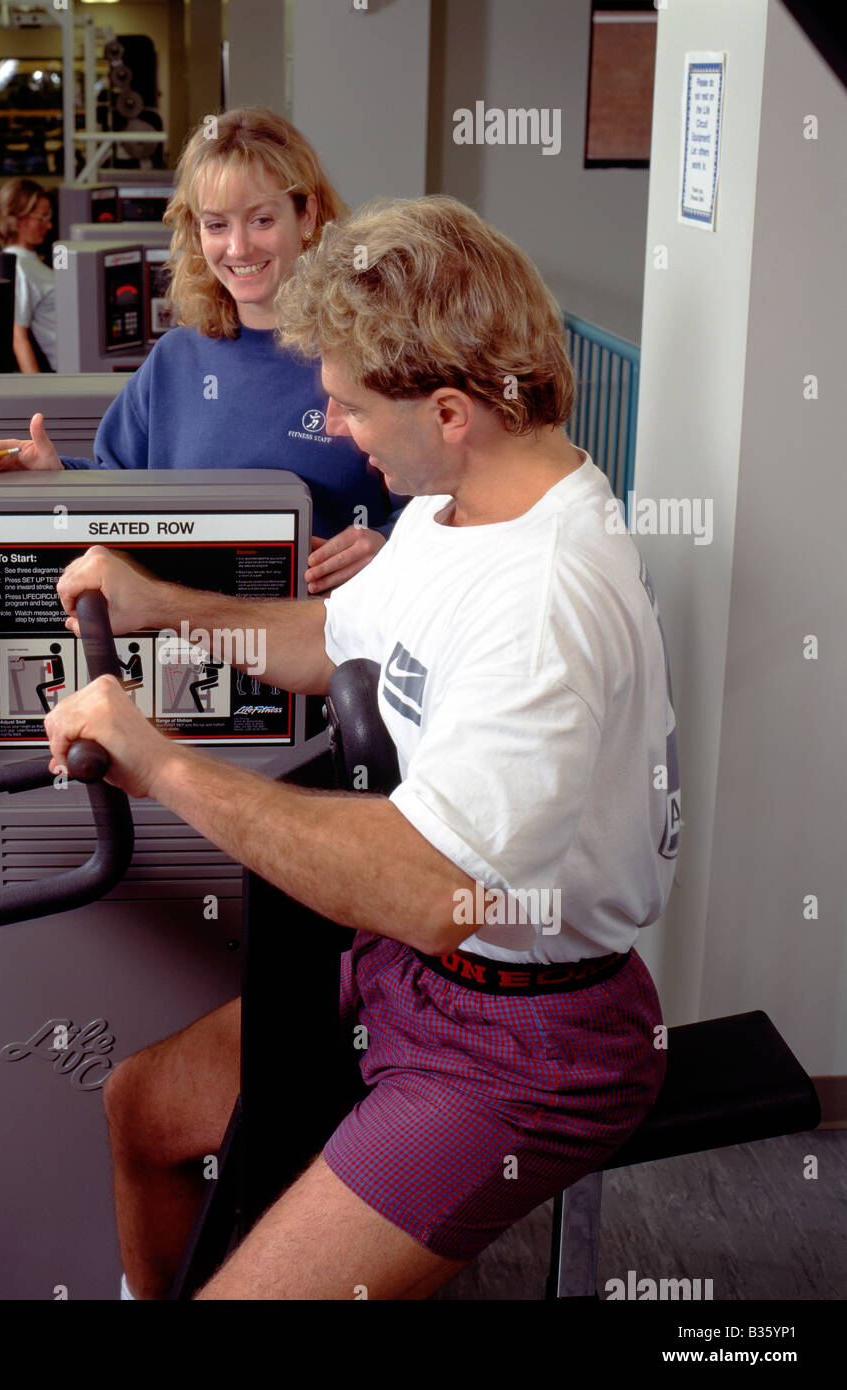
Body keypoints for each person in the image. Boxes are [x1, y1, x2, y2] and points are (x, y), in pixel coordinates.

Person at [40, 195, 679, 1300]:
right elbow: (333, 635)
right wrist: (160, 605)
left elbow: (441, 890)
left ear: (449, 409)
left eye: (346, 406)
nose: (332, 429)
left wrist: (160, 763)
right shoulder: (450, 505)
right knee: (143, 1108)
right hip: (415, 971)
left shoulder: (545, 596)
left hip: (527, 1042)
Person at [0, 107, 400, 596]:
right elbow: (117, 485)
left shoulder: (368, 358)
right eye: (217, 225)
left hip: (321, 644)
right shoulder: (175, 360)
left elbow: (446, 504)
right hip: (191, 641)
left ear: (307, 216)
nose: (239, 247)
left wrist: (390, 547)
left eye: (262, 219)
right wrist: (55, 473)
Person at [0, 178, 57, 373]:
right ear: (17, 221)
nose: (49, 225)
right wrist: (38, 397)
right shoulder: (19, 268)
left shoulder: (30, 262)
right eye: (42, 218)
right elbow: (18, 336)